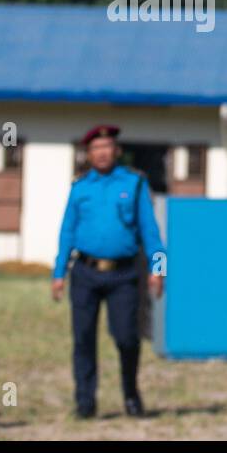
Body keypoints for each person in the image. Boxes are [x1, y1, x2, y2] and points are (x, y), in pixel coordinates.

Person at [52, 125, 165, 419]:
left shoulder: (135, 184)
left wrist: (159, 268)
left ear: (116, 151)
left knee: (127, 337)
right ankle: (85, 402)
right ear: (88, 154)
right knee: (83, 338)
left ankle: (130, 394)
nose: (102, 153)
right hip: (85, 274)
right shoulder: (80, 187)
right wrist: (58, 272)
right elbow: (67, 231)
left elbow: (151, 230)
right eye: (95, 148)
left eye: (107, 147)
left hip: (124, 275)